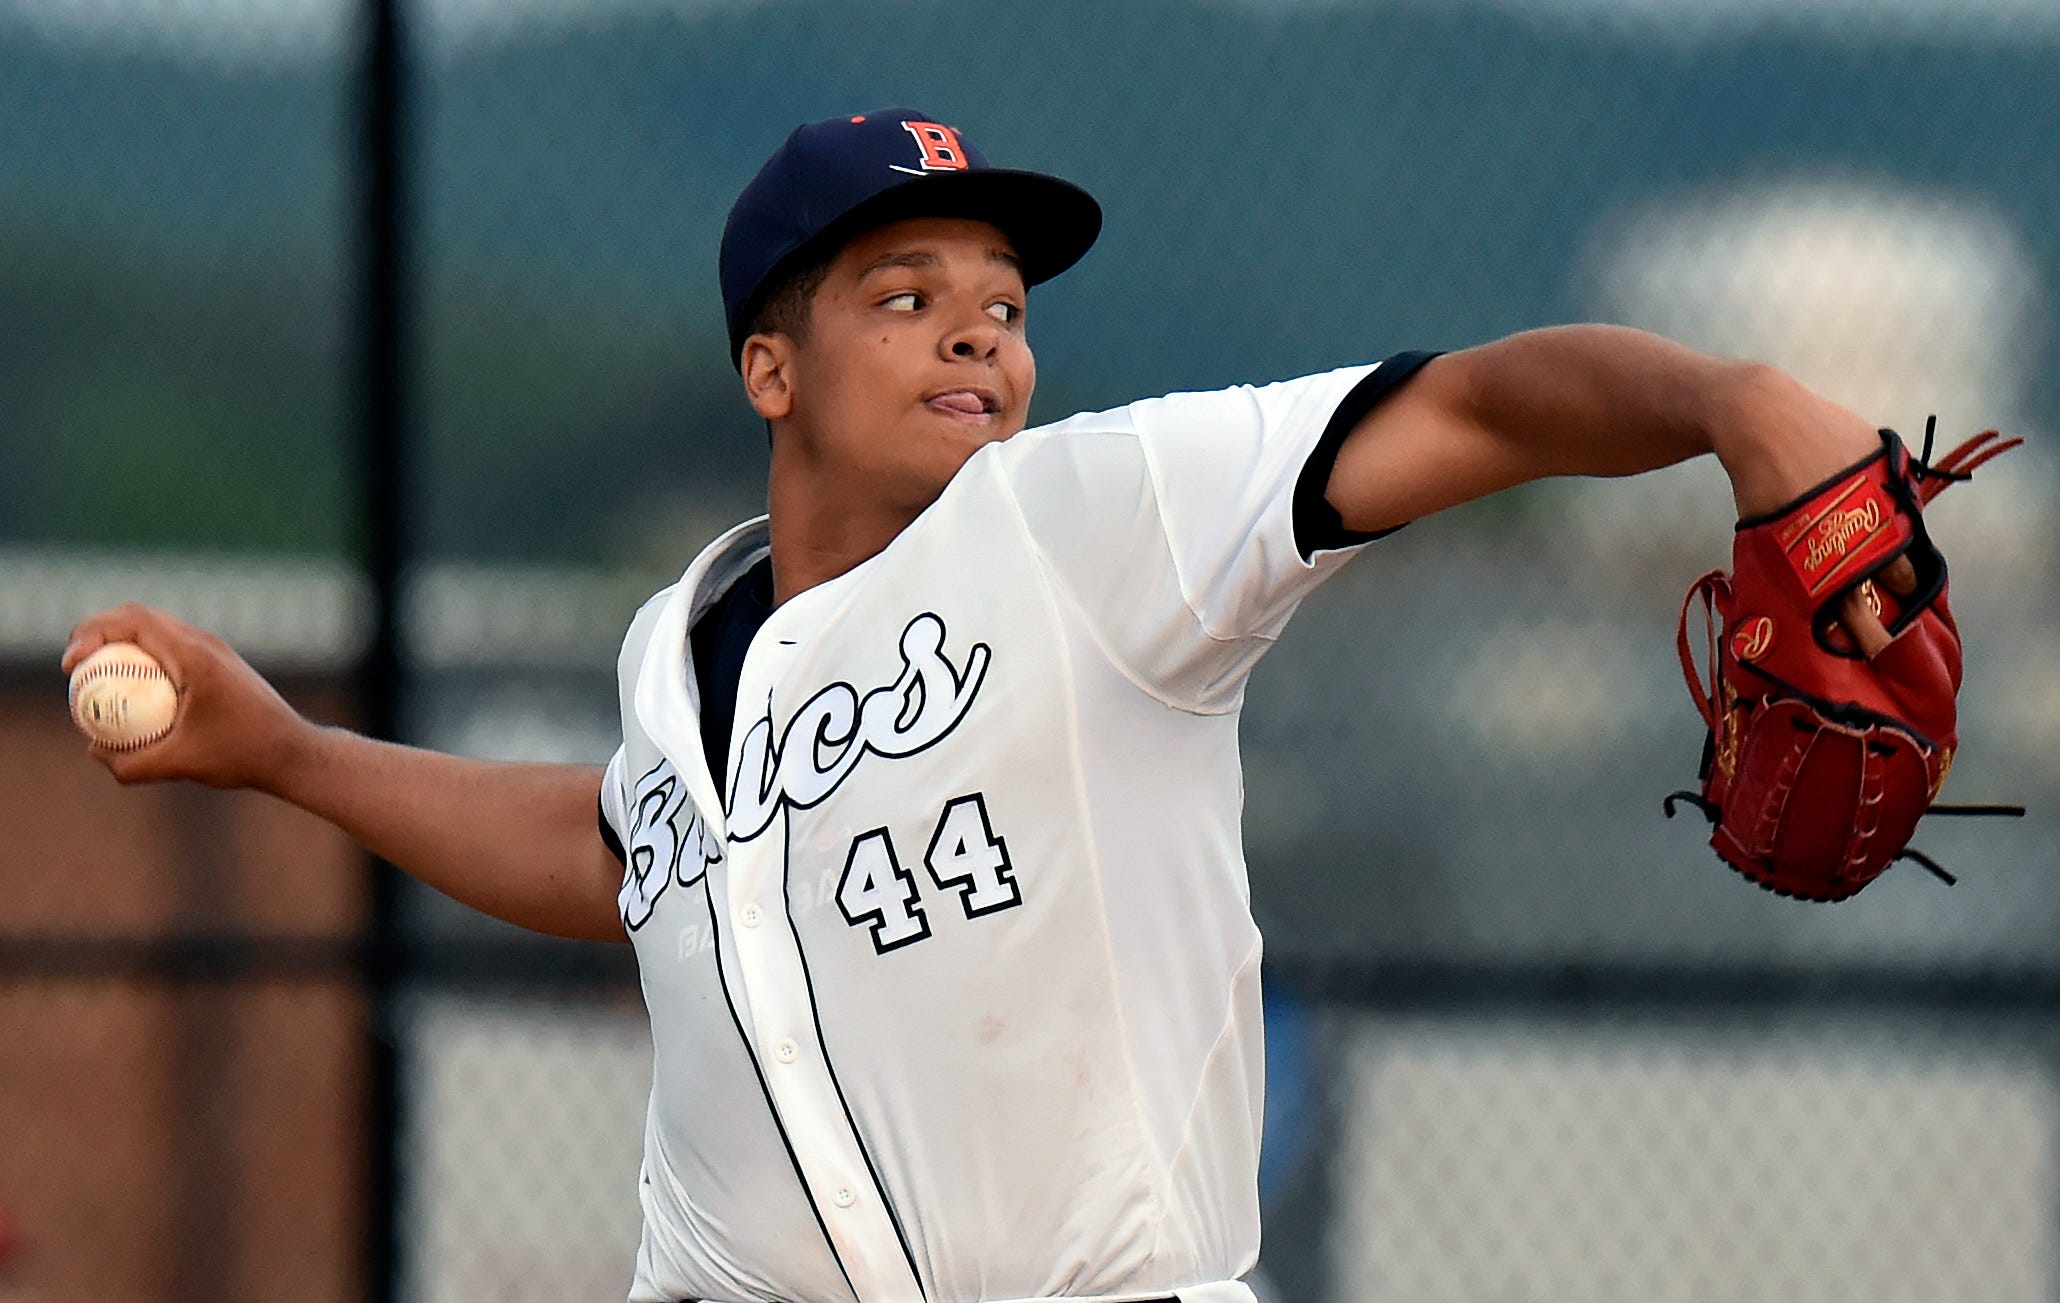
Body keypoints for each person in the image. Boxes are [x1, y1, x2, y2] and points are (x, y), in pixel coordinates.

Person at [64, 109, 1906, 1303]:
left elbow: (1480, 408)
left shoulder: (1092, 524)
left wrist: (1733, 400)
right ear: (767, 367)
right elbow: (622, 847)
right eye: (908, 292)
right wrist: (283, 753)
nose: (982, 332)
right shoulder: (682, 644)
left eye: (1004, 304)